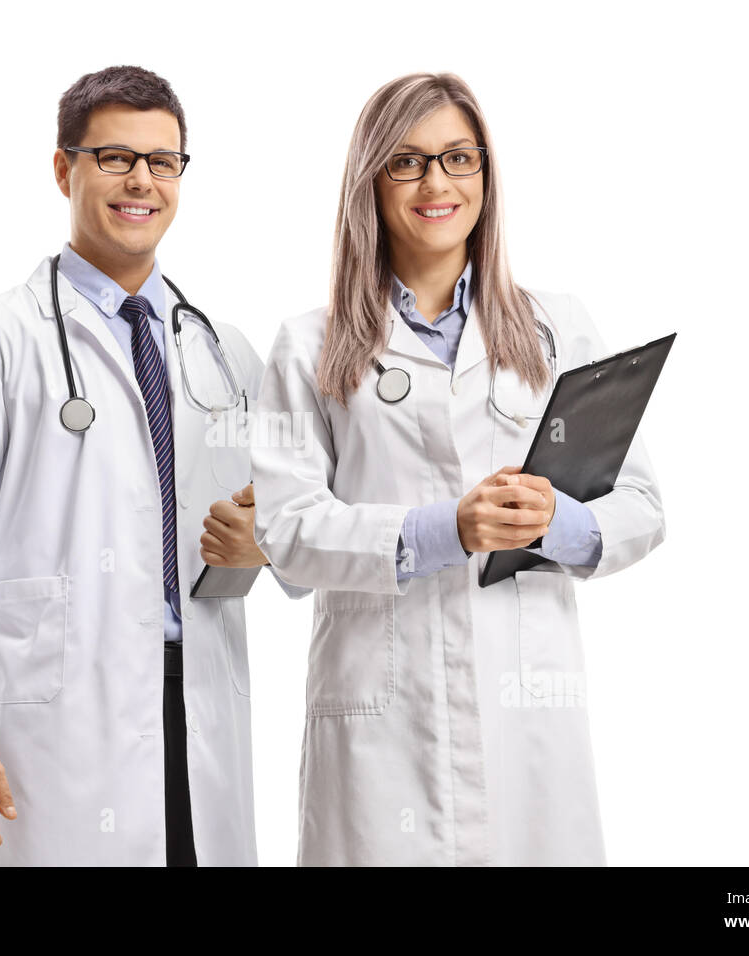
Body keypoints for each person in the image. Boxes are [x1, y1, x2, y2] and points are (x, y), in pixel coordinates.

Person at [249, 72, 666, 866]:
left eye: (457, 158)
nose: (435, 183)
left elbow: (642, 503)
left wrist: (558, 521)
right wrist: (446, 528)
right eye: (405, 162)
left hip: (527, 710)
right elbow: (287, 531)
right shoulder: (309, 344)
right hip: (382, 717)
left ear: (486, 174)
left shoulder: (556, 327)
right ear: (370, 181)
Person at [0, 65, 306, 866]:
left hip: (197, 706)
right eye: (115, 157)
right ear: (64, 168)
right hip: (58, 723)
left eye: (163, 162)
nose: (142, 182)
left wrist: (268, 537)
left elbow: (301, 528)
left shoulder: (224, 351)